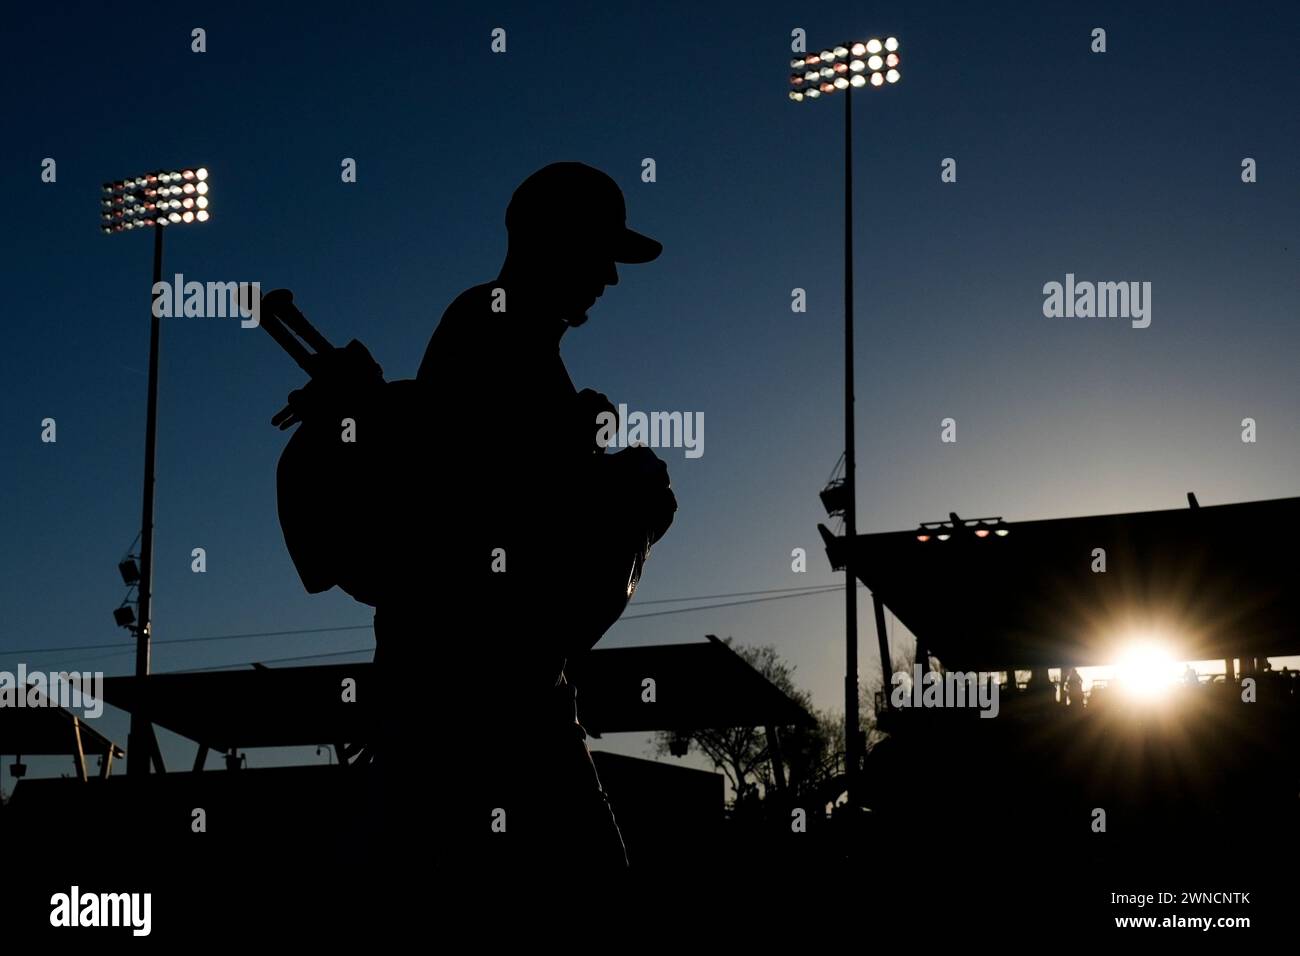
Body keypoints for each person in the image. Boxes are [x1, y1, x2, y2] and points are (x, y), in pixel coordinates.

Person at [372, 163, 676, 879]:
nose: (610, 276)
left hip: (483, 694)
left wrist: (581, 445)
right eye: (600, 252)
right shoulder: (491, 326)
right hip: (483, 704)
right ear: (555, 241)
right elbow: (500, 521)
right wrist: (626, 489)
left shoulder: (505, 336)